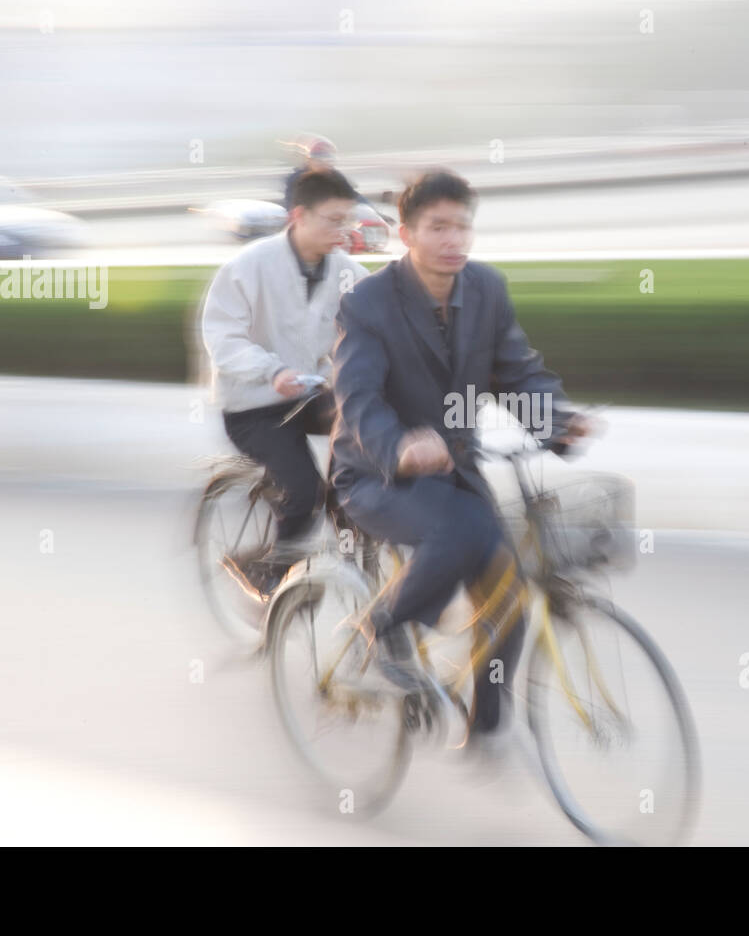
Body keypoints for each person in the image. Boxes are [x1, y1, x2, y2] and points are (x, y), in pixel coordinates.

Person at [328, 169, 595, 747]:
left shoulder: (486, 289)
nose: (453, 239)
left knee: (510, 595)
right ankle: (381, 625)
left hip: (455, 474)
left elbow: (518, 371)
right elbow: (358, 398)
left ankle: (486, 726)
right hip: (375, 476)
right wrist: (400, 445)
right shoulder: (368, 303)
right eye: (438, 227)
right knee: (463, 528)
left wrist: (558, 421)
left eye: (463, 226)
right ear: (406, 233)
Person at [201, 168, 370, 596]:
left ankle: (349, 523)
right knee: (302, 488)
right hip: (253, 404)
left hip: (311, 393)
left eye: (347, 220)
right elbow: (223, 337)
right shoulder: (247, 266)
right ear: (299, 215)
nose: (343, 231)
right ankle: (274, 574)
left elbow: (377, 329)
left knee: (367, 440)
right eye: (333, 220)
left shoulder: (350, 272)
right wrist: (271, 371)